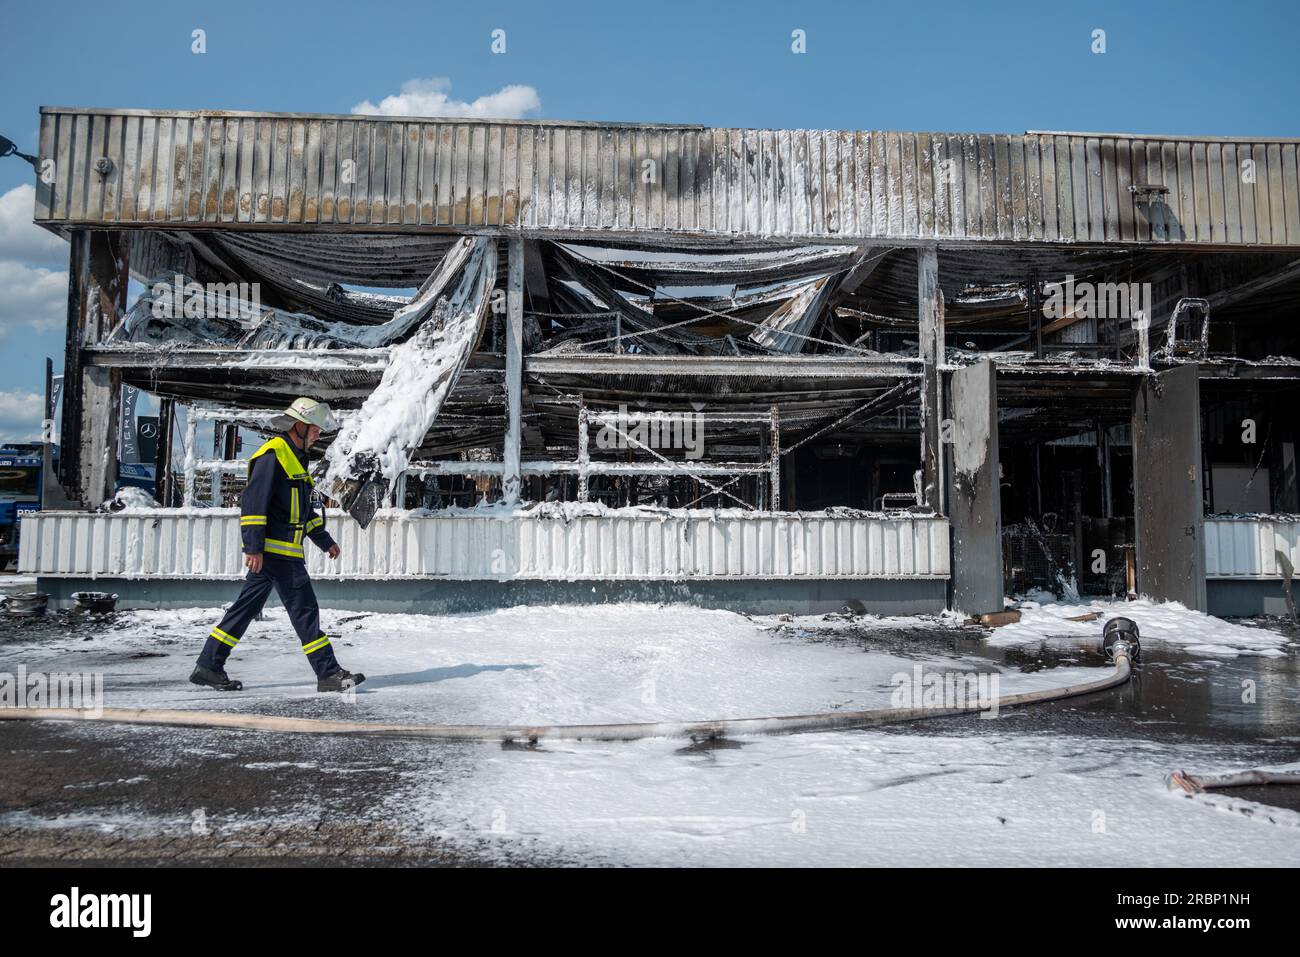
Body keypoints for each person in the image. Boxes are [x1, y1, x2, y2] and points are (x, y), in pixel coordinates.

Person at [190, 397, 364, 693]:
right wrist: (253, 547)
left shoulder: (295, 458)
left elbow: (302, 511)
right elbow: (253, 503)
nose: (318, 435)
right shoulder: (274, 455)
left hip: (281, 552)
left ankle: (209, 665)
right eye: (315, 429)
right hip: (276, 552)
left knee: (245, 610)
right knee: (305, 610)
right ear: (299, 425)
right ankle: (328, 672)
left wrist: (325, 541)